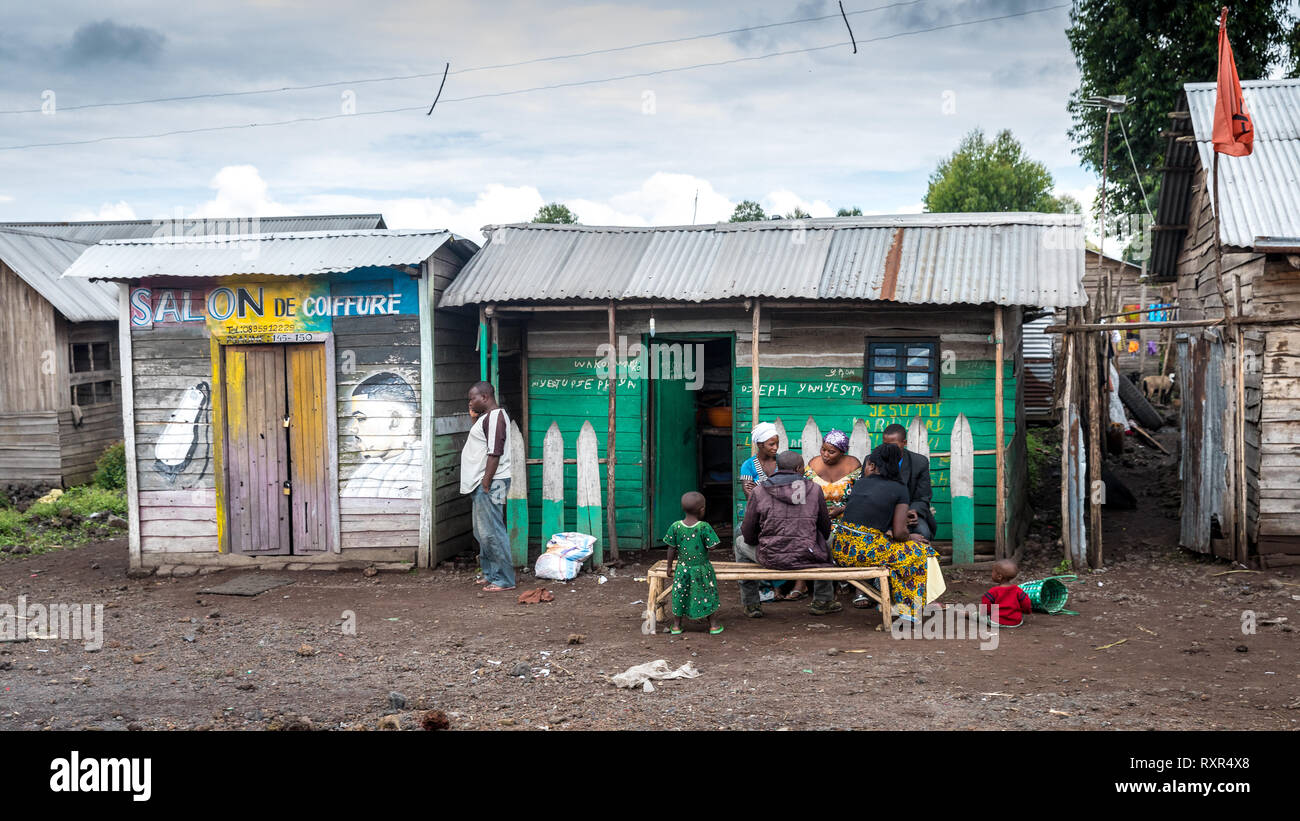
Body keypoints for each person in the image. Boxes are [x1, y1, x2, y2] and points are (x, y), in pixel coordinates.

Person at [832, 442, 942, 624]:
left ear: (873, 465)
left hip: (841, 550)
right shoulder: (899, 489)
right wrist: (911, 537)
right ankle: (907, 610)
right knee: (919, 552)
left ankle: (889, 602)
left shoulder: (860, 484)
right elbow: (899, 533)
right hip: (864, 553)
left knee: (897, 553)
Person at [739, 450, 842, 617]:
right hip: (808, 555)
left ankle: (751, 604)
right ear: (799, 468)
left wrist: (764, 541)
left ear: (778, 467)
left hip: (771, 557)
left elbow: (749, 533)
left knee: (739, 542)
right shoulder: (814, 489)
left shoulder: (759, 491)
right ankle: (823, 600)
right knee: (828, 539)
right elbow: (824, 528)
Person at [783, 428, 862, 601]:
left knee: (851, 536)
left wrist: (842, 509)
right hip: (817, 515)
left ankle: (856, 585)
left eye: (831, 451)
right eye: (823, 449)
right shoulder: (813, 464)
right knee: (805, 534)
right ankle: (801, 583)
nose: (825, 454)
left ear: (842, 452)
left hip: (846, 516)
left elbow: (862, 496)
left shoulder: (853, 465)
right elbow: (801, 494)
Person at [460, 381, 514, 592]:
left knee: (492, 531)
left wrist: (486, 483)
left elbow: (495, 452)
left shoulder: (496, 417)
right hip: (485, 483)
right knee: (482, 532)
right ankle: (491, 574)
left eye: (472, 398)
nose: (470, 402)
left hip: (492, 482)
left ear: (484, 397)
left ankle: (504, 580)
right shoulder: (486, 418)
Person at [735, 421, 782, 610]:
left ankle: (774, 586)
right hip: (760, 517)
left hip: (780, 517)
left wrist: (761, 489)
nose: (776, 447)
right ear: (760, 444)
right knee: (744, 535)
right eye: (771, 444)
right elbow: (751, 499)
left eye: (777, 443)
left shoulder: (782, 462)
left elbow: (757, 494)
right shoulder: (748, 465)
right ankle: (761, 587)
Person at [663, 491, 723, 635]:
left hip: (682, 569)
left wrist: (669, 566)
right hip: (702, 569)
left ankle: (677, 626)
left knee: (680, 594)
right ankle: (713, 625)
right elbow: (712, 546)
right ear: (702, 509)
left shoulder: (676, 526)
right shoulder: (704, 527)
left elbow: (671, 548)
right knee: (707, 593)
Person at [881, 423, 936, 542]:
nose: (888, 449)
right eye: (885, 445)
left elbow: (923, 497)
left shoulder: (919, 462)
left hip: (909, 512)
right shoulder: (873, 461)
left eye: (893, 445)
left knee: (923, 533)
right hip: (881, 514)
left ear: (904, 443)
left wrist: (910, 511)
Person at [981, 559, 1032, 628]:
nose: (991, 573)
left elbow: (986, 606)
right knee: (1019, 615)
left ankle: (967, 614)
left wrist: (986, 614)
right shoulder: (1018, 590)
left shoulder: (993, 591)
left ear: (999, 576)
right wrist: (1026, 611)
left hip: (996, 622)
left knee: (977, 615)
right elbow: (1026, 603)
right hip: (1016, 622)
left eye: (993, 571)